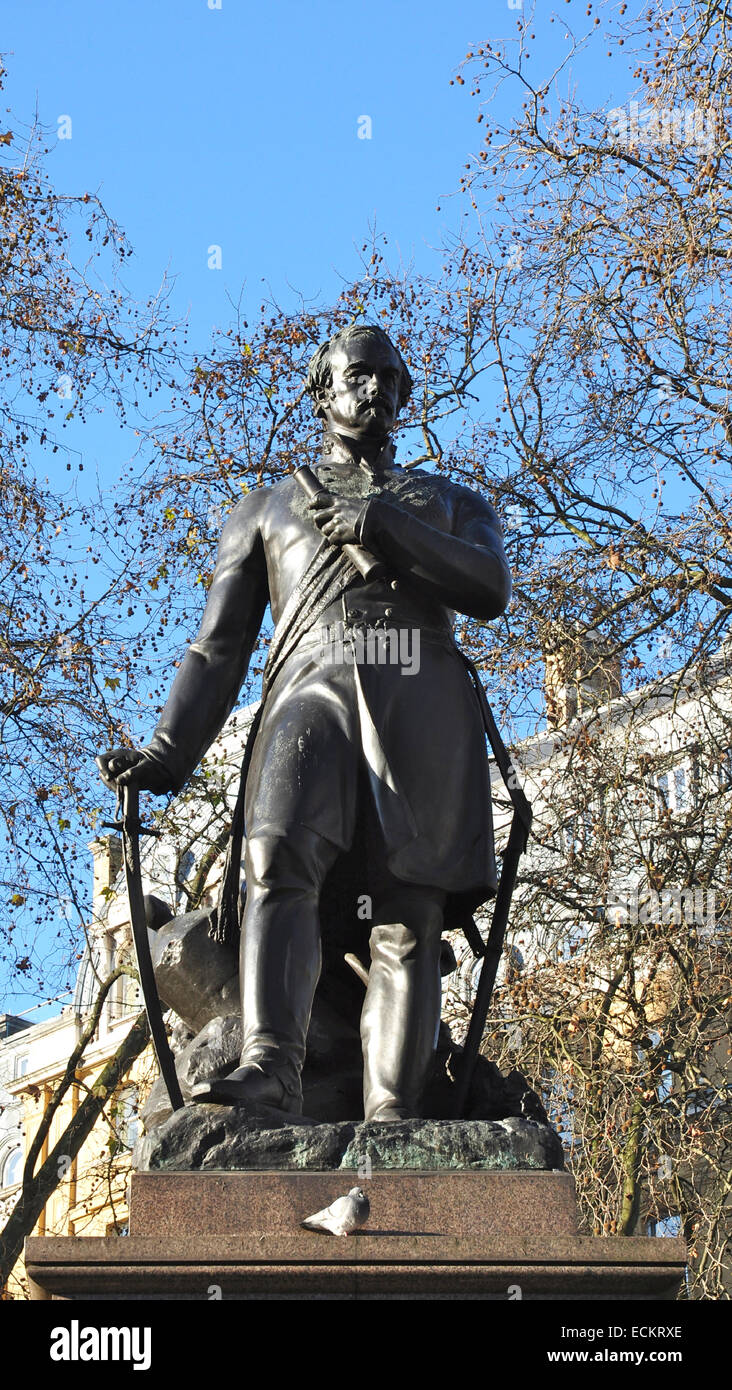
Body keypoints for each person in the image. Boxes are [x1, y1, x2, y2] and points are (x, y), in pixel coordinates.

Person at [97, 324, 511, 1121]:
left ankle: (395, 1112)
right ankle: (270, 1068)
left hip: (422, 700)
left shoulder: (450, 504)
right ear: (321, 391)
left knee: (410, 907)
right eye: (359, 375)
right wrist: (167, 751)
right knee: (275, 855)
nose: (377, 389)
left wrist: (385, 525)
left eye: (391, 377)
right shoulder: (265, 508)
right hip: (310, 691)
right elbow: (217, 650)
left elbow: (490, 588)